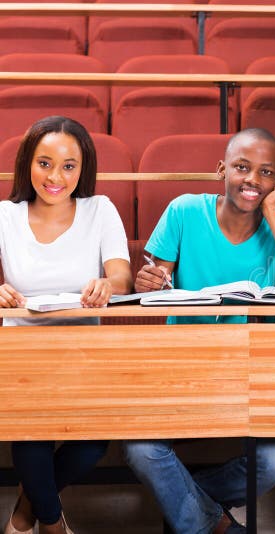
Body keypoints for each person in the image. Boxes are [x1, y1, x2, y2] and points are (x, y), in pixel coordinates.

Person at [123, 128, 275, 534]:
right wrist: (149, 281)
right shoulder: (185, 211)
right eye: (242, 168)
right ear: (222, 169)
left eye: (266, 173)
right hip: (184, 361)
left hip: (253, 367)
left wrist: (271, 212)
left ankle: (186, 503)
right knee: (141, 448)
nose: (252, 180)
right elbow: (157, 277)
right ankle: (215, 524)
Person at [0, 116, 133, 534]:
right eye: (44, 163)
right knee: (31, 435)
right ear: (27, 164)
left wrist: (105, 284)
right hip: (22, 353)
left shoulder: (100, 210)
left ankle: (27, 508)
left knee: (93, 444)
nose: (55, 177)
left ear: (83, 168)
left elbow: (123, 278)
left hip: (83, 351)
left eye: (68, 166)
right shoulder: (5, 215)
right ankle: (54, 523)